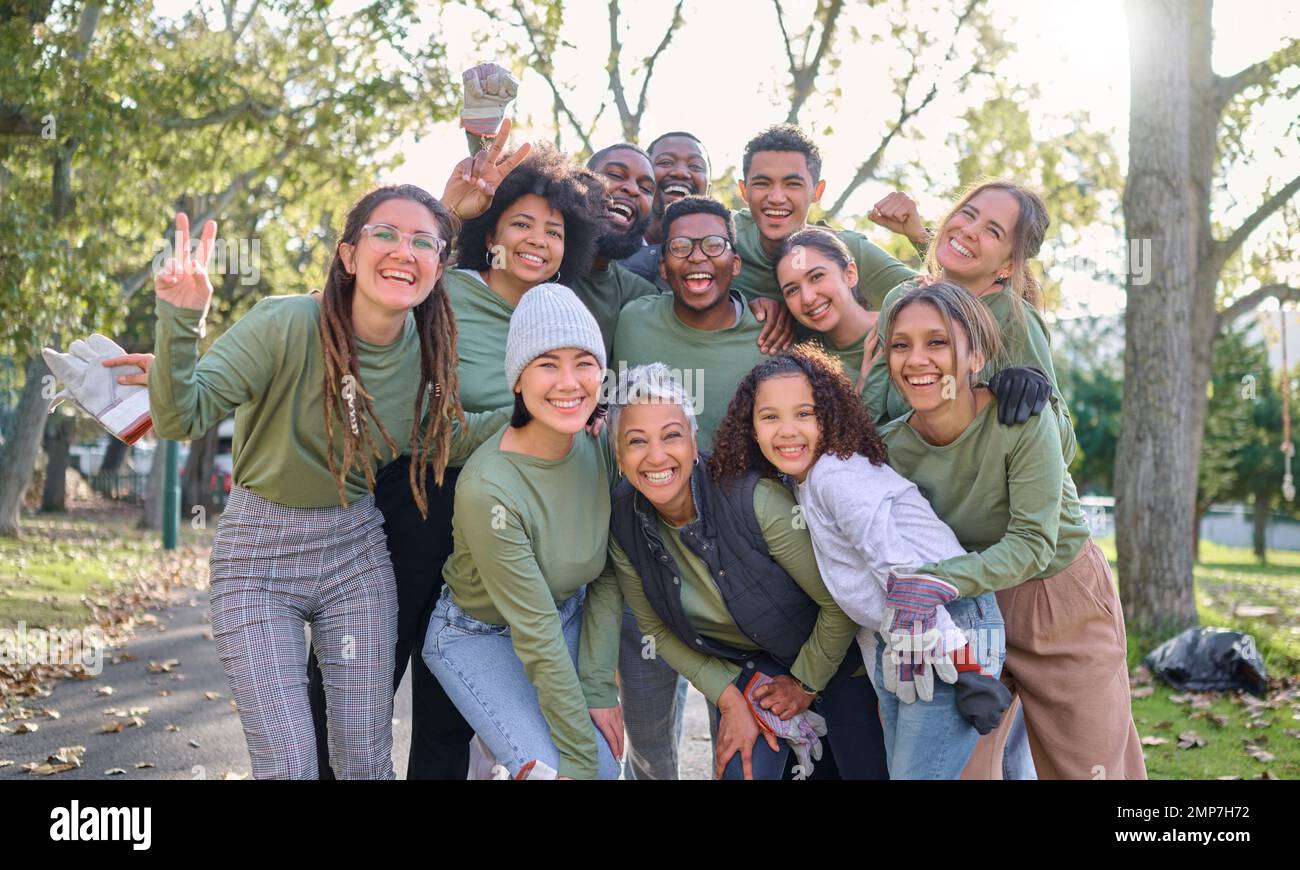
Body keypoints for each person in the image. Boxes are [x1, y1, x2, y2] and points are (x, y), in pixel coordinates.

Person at [145, 182, 511, 779]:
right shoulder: (285, 323)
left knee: (365, 761)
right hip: (258, 557)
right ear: (348, 256)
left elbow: (447, 436)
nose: (403, 250)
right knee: (290, 764)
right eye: (384, 234)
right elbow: (180, 415)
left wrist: (542, 413)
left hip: (354, 555)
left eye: (423, 241)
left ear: (440, 266)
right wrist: (181, 320)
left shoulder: (429, 355)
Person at [875, 281, 1147, 779]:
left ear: (976, 355)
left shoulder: (1021, 420)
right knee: (963, 771)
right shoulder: (891, 450)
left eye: (937, 342)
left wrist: (939, 580)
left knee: (1090, 768)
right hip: (962, 614)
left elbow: (1032, 543)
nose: (916, 359)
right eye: (900, 345)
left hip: (1056, 597)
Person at [707, 344, 1011, 778]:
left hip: (946, 621)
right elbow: (866, 596)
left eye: (804, 414)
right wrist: (881, 675)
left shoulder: (836, 475)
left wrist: (964, 668)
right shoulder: (806, 481)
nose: (787, 430)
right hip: (906, 633)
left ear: (828, 418)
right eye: (770, 417)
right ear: (752, 429)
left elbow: (900, 570)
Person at [595, 362, 883, 780]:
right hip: (751, 673)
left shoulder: (755, 501)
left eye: (671, 436)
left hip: (832, 663)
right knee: (742, 767)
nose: (656, 456)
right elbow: (656, 630)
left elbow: (838, 601)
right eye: (636, 442)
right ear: (619, 457)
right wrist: (727, 698)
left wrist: (804, 684)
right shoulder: (622, 518)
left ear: (694, 443)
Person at [609, 195, 782, 777]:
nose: (696, 258)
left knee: (735, 738)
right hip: (647, 547)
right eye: (680, 247)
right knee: (649, 739)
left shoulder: (771, 331)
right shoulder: (634, 322)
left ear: (735, 260)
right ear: (662, 265)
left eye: (713, 245)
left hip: (739, 560)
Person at [422, 283, 623, 780]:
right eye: (547, 364)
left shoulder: (600, 445)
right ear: (518, 379)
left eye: (584, 362)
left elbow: (611, 573)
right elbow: (534, 633)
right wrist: (578, 762)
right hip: (479, 635)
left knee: (608, 770)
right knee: (562, 771)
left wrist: (597, 687)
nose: (569, 381)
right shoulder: (489, 488)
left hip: (565, 611)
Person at [732, 124, 918, 315]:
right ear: (744, 190)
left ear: (817, 191)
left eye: (793, 184)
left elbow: (938, 295)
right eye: (762, 183)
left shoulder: (846, 249)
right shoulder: (721, 233)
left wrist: (920, 237)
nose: (777, 198)